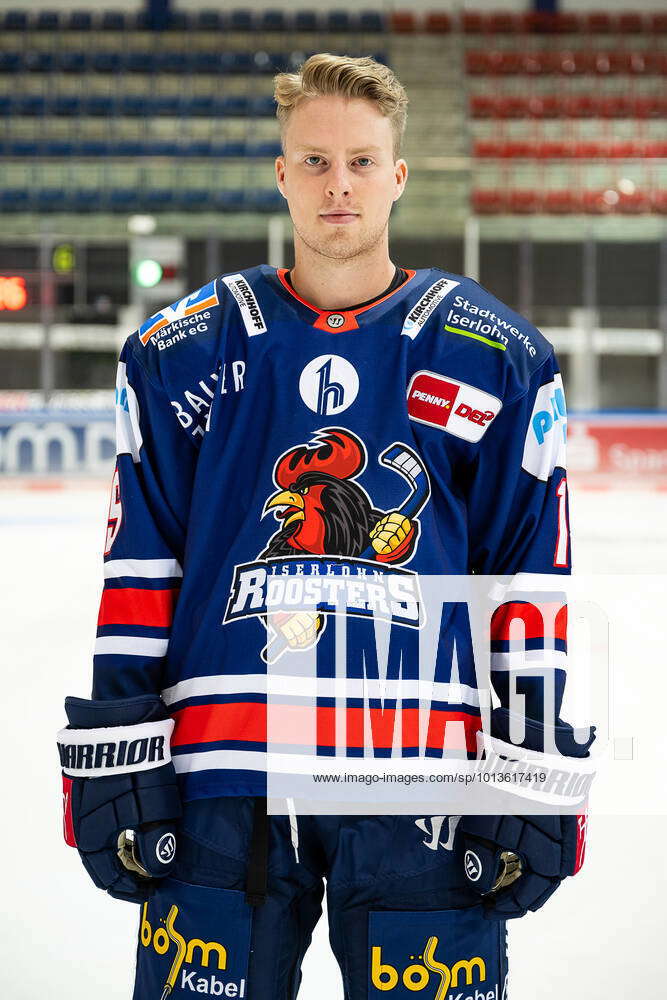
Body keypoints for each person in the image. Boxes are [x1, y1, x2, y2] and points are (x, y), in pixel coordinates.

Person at [57, 54, 594, 999]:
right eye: (312, 161)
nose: (336, 183)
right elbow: (140, 565)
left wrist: (529, 760)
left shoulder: (496, 354)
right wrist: (119, 747)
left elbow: (525, 579)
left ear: (396, 174)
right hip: (222, 777)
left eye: (358, 161)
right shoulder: (182, 350)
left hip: (420, 785)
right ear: (279, 173)